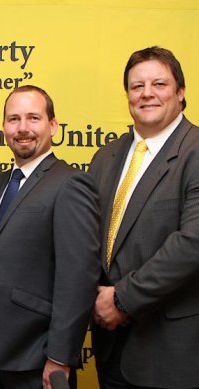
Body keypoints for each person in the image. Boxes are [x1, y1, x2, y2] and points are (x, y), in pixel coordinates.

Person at [0, 85, 100, 389]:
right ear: (4, 126)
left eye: (33, 118)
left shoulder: (71, 183)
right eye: (14, 119)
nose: (22, 128)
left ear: (53, 126)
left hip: (38, 357)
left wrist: (60, 356)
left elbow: (78, 277)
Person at [90, 46, 199, 389]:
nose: (147, 94)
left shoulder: (195, 151)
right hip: (110, 348)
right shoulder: (106, 157)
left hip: (170, 351)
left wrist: (121, 299)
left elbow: (192, 243)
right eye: (137, 86)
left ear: (181, 92)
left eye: (159, 84)